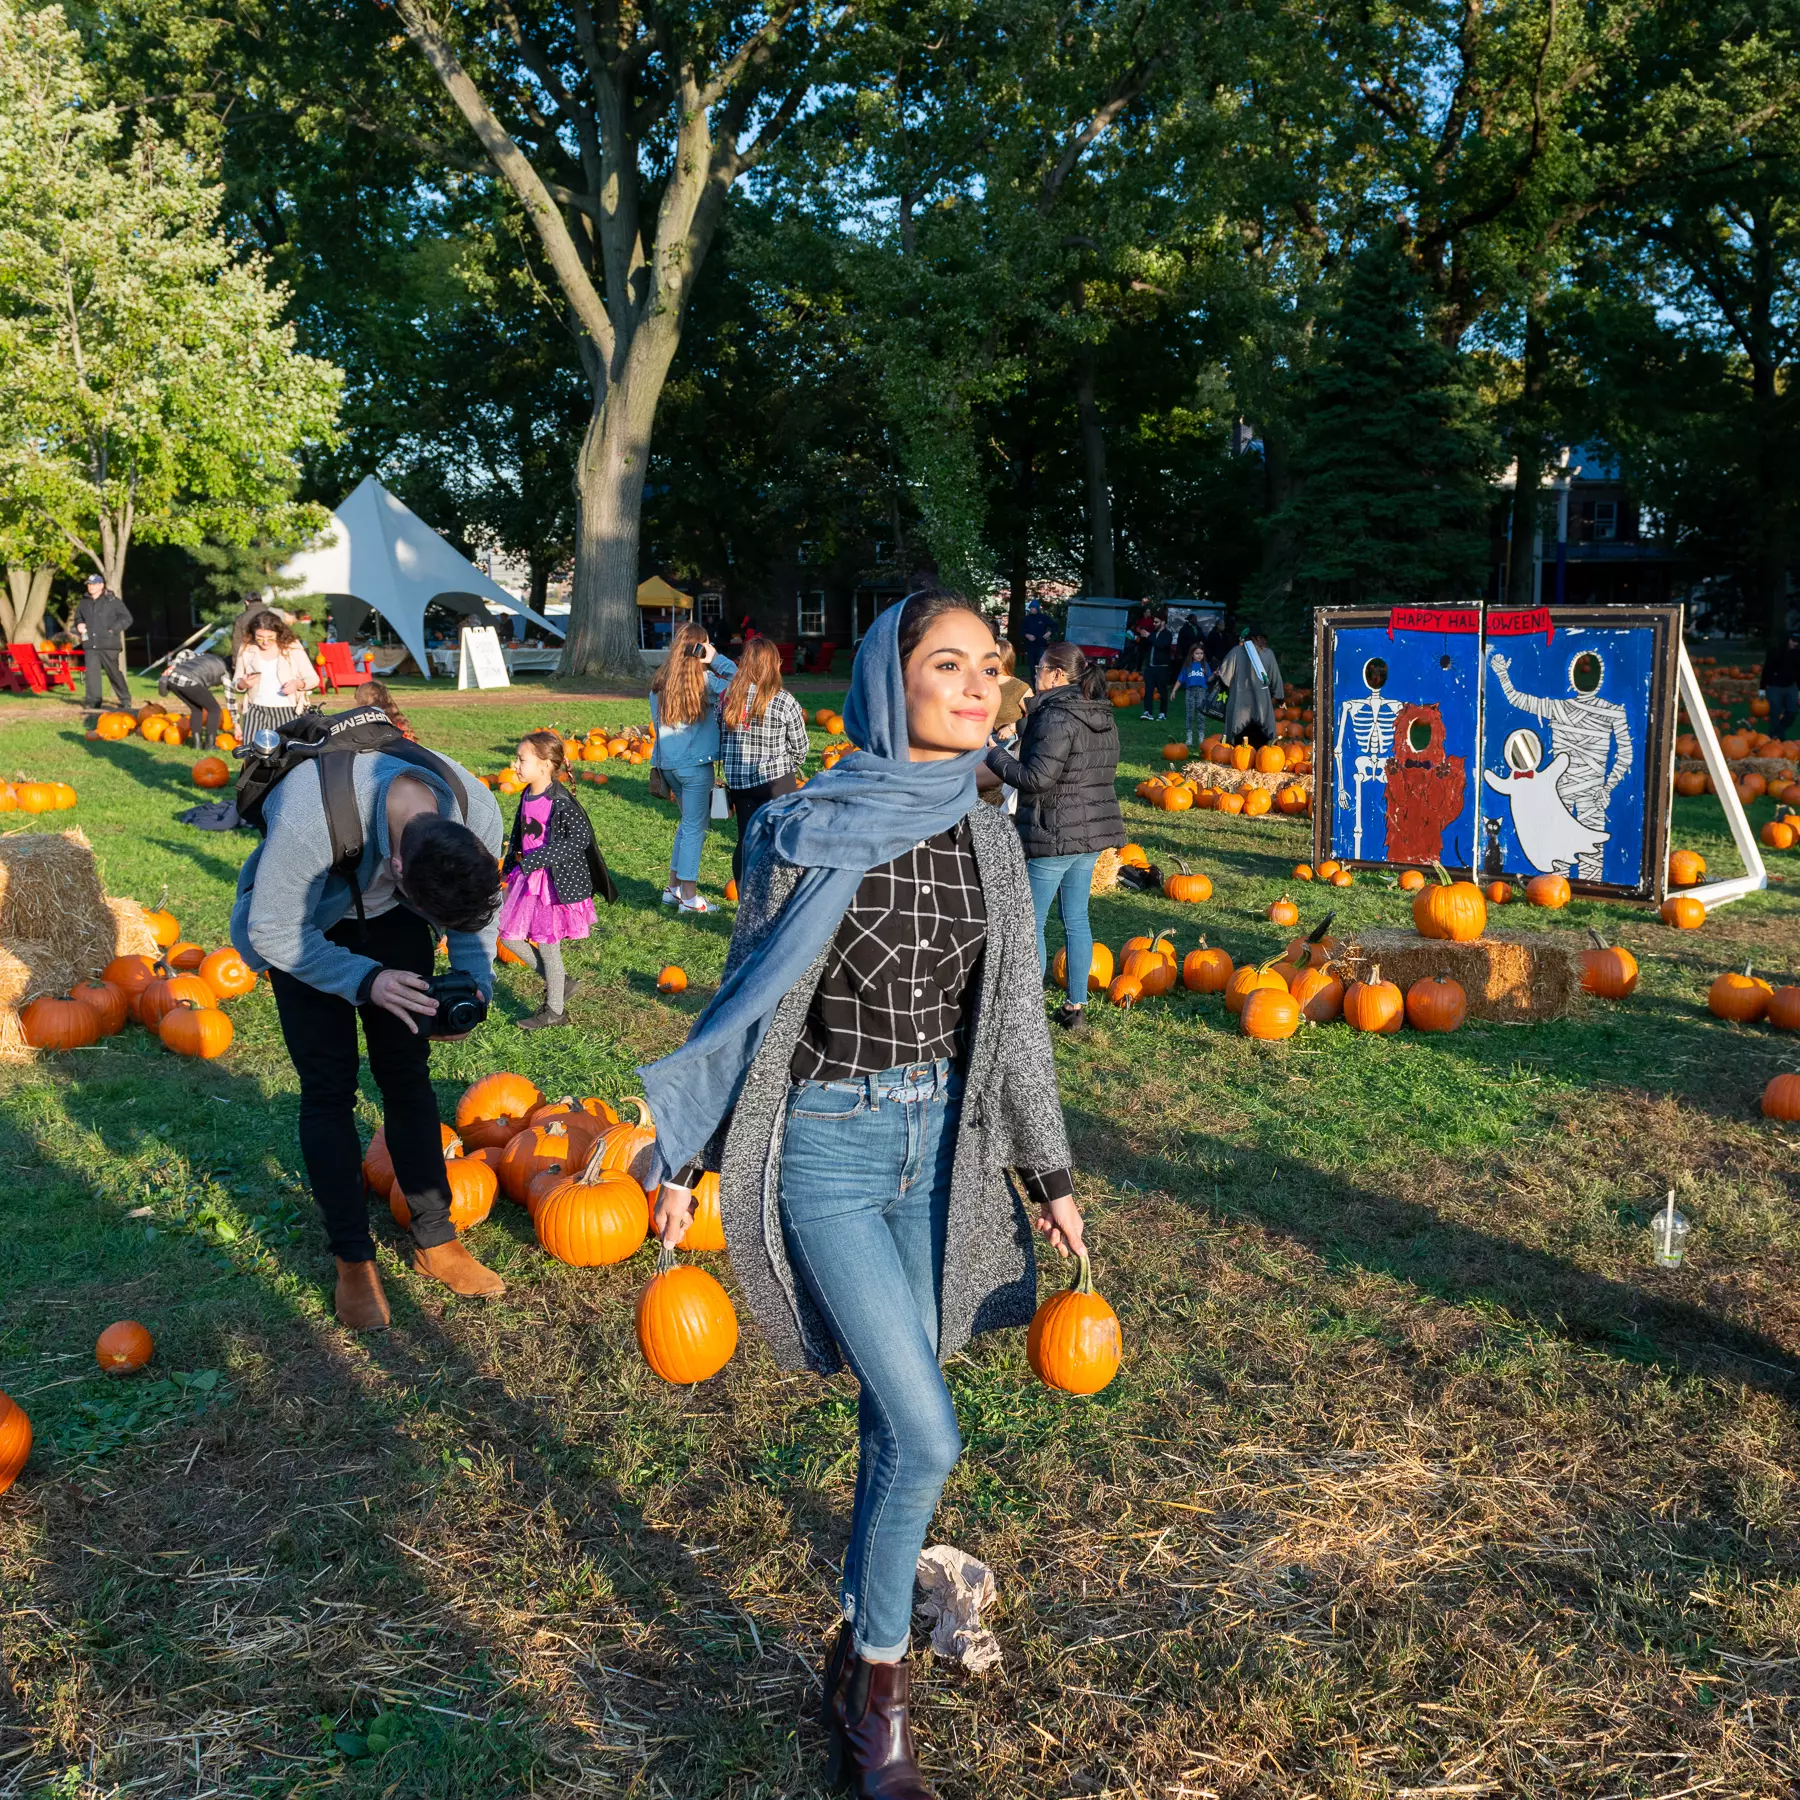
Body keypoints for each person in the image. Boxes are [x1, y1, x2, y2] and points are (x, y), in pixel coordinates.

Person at [642, 591, 1086, 1799]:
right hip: (829, 1153)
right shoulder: (803, 826)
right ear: (895, 681)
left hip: (938, 1151)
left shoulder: (994, 832)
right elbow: (748, 1000)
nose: (978, 683)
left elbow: (1016, 1032)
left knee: (901, 1420)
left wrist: (1047, 1173)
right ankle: (879, 1696)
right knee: (929, 1426)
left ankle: (852, 1647)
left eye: (991, 666)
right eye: (949, 664)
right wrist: (686, 1160)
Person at [229, 715, 508, 1330]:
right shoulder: (310, 815)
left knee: (408, 1077)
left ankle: (435, 1239)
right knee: (329, 1090)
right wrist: (365, 980)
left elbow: (475, 921)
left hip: (394, 924)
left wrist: (472, 987)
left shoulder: (475, 806)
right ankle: (352, 1258)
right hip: (308, 928)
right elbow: (271, 928)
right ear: (400, 872)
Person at [985, 642, 1124, 1033]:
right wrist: (1025, 722)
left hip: (1053, 831)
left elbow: (1035, 778)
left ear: (1058, 675)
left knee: (1032, 922)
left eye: (1041, 668)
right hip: (1092, 831)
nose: (1035, 674)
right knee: (1076, 918)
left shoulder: (1057, 716)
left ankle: (1025, 1009)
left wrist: (994, 753)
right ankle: (1074, 1007)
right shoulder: (1100, 713)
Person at [498, 732, 616, 1030]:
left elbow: (580, 839)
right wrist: (510, 864)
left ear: (544, 766)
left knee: (548, 946)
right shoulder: (527, 794)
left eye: (522, 760)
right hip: (528, 879)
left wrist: (536, 860)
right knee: (509, 937)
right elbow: (519, 835)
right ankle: (560, 982)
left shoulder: (560, 801)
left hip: (553, 884)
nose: (515, 765)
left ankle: (555, 1012)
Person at [649, 622, 737, 913]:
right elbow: (741, 685)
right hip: (696, 767)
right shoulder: (706, 682)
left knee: (687, 826)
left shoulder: (660, 683)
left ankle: (672, 888)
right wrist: (716, 659)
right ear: (701, 648)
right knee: (694, 829)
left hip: (669, 766)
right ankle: (689, 896)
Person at [719, 639, 809, 883]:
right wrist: (790, 761)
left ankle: (744, 893)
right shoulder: (783, 700)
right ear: (773, 665)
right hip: (776, 781)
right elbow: (801, 747)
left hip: (740, 783)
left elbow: (721, 736)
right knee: (780, 838)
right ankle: (777, 892)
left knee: (746, 839)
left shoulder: (728, 698)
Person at [234, 611, 319, 741]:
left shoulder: (292, 647)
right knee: (252, 754)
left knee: (286, 756)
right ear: (253, 634)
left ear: (278, 633)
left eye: (270, 637)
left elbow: (313, 679)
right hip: (256, 710)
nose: (265, 642)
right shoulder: (247, 649)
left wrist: (297, 684)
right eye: (260, 637)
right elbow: (236, 681)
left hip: (287, 710)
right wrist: (242, 683)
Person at [1219, 622, 1284, 747]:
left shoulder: (1236, 652)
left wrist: (1224, 688)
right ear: (1259, 638)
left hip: (1240, 701)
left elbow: (1224, 676)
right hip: (1261, 704)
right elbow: (1275, 678)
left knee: (1239, 744)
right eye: (1262, 638)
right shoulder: (1267, 654)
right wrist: (1280, 697)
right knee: (1262, 744)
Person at [74, 572, 133, 713]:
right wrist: (80, 624)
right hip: (90, 644)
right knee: (92, 674)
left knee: (113, 672)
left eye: (94, 584)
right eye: (89, 584)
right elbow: (78, 618)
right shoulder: (83, 602)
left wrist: (112, 630)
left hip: (109, 644)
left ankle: (125, 700)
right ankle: (93, 701)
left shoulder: (112, 600)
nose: (91, 587)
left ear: (101, 585)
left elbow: (126, 618)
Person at [158, 645, 230, 749]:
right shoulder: (225, 673)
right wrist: (236, 723)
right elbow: (230, 698)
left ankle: (197, 744)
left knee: (196, 709)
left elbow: (185, 652)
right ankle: (210, 745)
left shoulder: (206, 656)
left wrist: (173, 666)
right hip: (188, 680)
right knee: (214, 709)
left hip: (172, 679)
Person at [1141, 611, 1181, 721]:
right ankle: (1148, 712)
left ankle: (1163, 713)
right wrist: (1144, 638)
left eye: (1156, 622)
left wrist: (1149, 636)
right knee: (1148, 690)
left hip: (1162, 667)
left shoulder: (1167, 635)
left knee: (1162, 691)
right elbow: (1147, 647)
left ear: (1163, 622)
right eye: (1153, 622)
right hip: (1150, 667)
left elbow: (1161, 645)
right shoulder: (1153, 634)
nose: (1154, 624)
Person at [1762, 632, 1800, 739]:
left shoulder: (1798, 654)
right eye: (1793, 641)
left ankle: (1778, 732)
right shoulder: (1775, 652)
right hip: (1775, 687)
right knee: (1775, 713)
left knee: (1792, 712)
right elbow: (1767, 669)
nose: (1795, 644)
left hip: (1790, 687)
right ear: (1787, 640)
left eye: (1797, 641)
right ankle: (1775, 739)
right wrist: (1762, 687)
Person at [1176, 639, 1213, 748]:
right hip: (1190, 692)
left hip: (1201, 691)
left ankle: (1201, 737)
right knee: (1190, 714)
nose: (1199, 655)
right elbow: (1180, 679)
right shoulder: (1188, 666)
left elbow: (1209, 679)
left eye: (1201, 653)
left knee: (1201, 714)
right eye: (1197, 653)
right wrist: (1174, 691)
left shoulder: (1205, 665)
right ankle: (1189, 737)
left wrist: (1215, 674)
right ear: (1192, 654)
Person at [1019, 596, 1053, 663]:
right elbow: (1021, 631)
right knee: (1031, 665)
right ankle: (1033, 674)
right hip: (1030, 646)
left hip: (1041, 645)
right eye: (1030, 607)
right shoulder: (1026, 619)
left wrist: (1050, 632)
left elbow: (1055, 626)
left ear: (1037, 608)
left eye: (1033, 607)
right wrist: (1027, 635)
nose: (1031, 609)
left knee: (1040, 664)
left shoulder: (1043, 618)